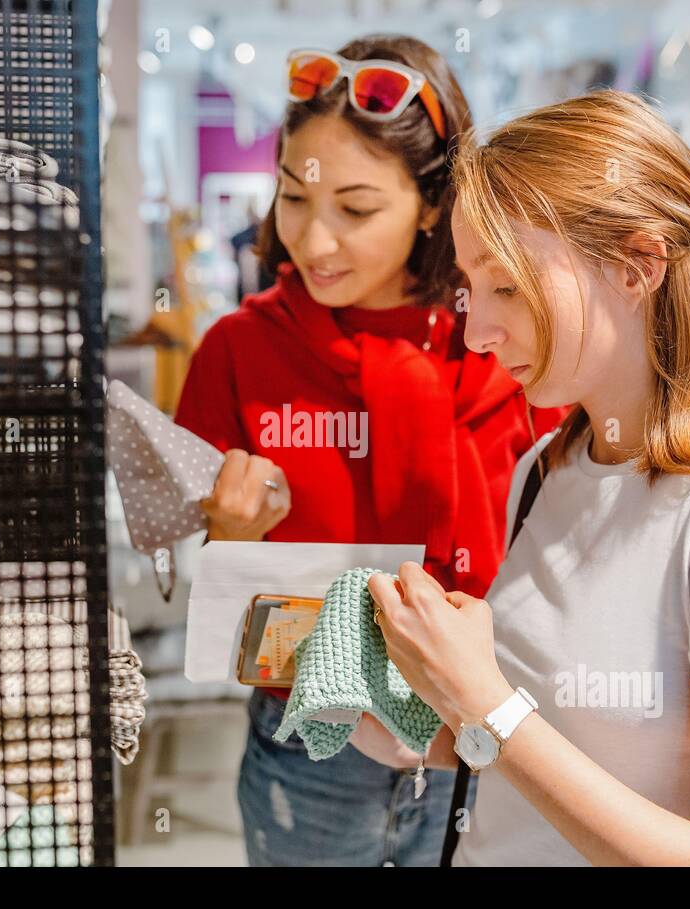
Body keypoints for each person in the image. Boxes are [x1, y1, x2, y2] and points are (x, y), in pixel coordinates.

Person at [365, 90, 690, 866]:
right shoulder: (546, 469)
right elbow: (548, 743)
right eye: (470, 287)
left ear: (636, 264)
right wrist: (402, 706)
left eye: (507, 286)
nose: (478, 331)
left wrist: (480, 700)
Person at [174, 35, 567, 867]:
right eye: (292, 197)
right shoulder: (240, 352)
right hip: (308, 747)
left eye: (355, 210)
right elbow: (216, 620)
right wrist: (231, 537)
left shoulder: (500, 346)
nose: (314, 242)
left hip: (487, 742)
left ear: (432, 206)